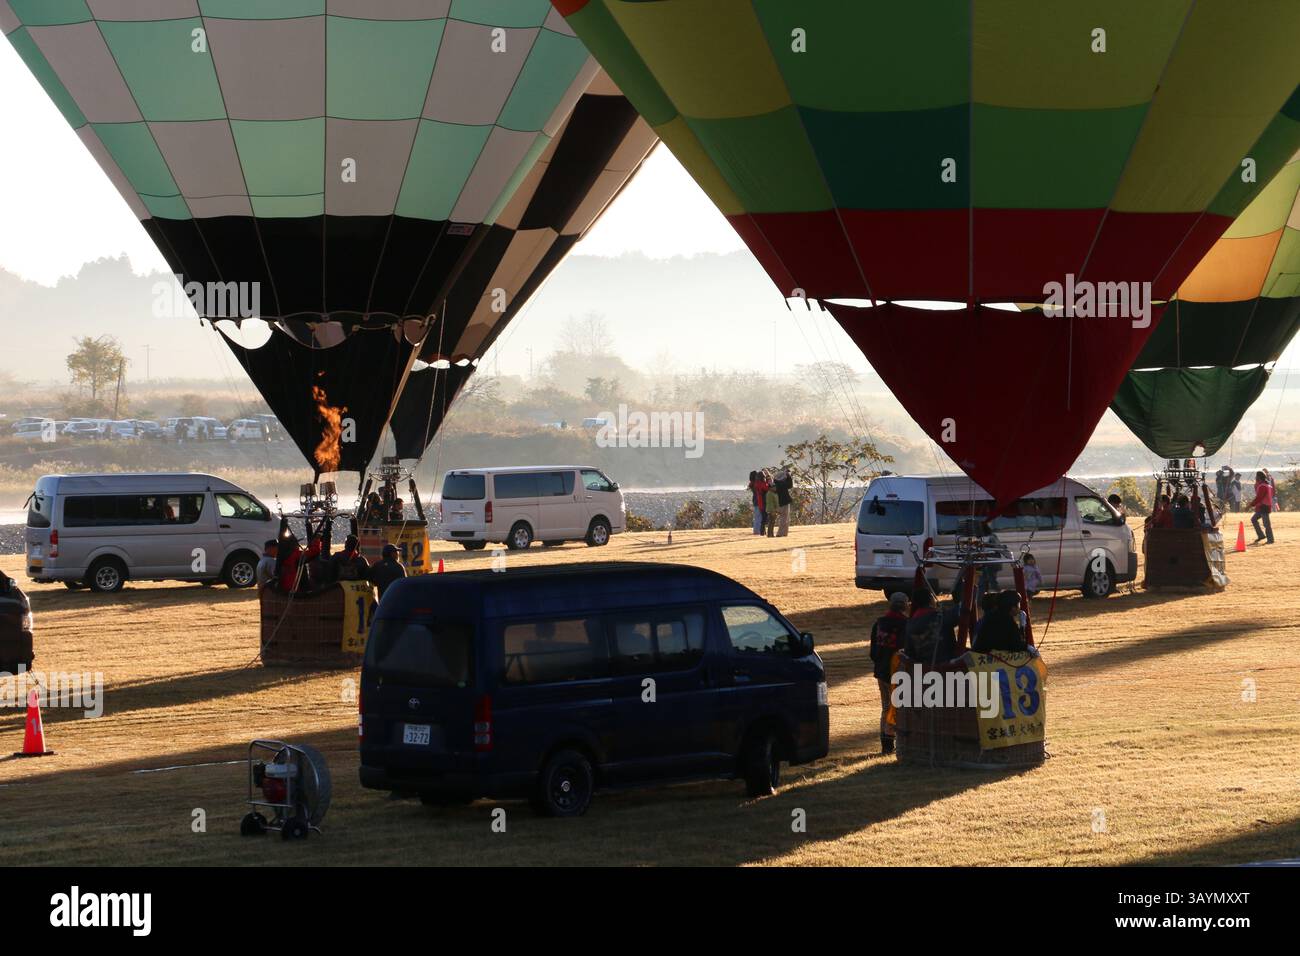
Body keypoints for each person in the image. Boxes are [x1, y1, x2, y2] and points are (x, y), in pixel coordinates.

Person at [869, 593, 909, 755]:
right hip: (898, 672)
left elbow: (873, 652)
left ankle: (885, 744)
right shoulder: (906, 624)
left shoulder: (878, 624)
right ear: (905, 605)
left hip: (881, 671)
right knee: (899, 707)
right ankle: (895, 741)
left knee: (886, 707)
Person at [904, 589, 956, 664]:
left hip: (923, 667)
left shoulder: (910, 624)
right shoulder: (940, 618)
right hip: (946, 666)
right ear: (930, 600)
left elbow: (909, 652)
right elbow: (960, 610)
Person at [1249, 471, 1275, 544]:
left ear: (1259, 478)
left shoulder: (1263, 486)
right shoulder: (1267, 485)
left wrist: (1250, 505)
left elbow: (1259, 498)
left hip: (1264, 506)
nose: (1255, 478)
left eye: (1256, 477)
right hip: (1264, 506)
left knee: (1266, 524)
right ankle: (1261, 535)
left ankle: (1270, 540)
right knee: (1254, 519)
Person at [773, 468, 793, 537]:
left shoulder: (777, 483)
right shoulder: (781, 484)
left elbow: (788, 485)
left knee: (784, 518)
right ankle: (780, 533)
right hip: (784, 502)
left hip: (781, 503)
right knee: (784, 518)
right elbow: (790, 485)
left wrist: (787, 476)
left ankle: (784, 533)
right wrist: (789, 476)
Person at [748, 471, 768, 536]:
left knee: (757, 517)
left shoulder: (752, 484)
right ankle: (757, 531)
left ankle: (757, 530)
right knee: (759, 517)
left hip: (755, 501)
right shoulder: (756, 484)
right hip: (759, 501)